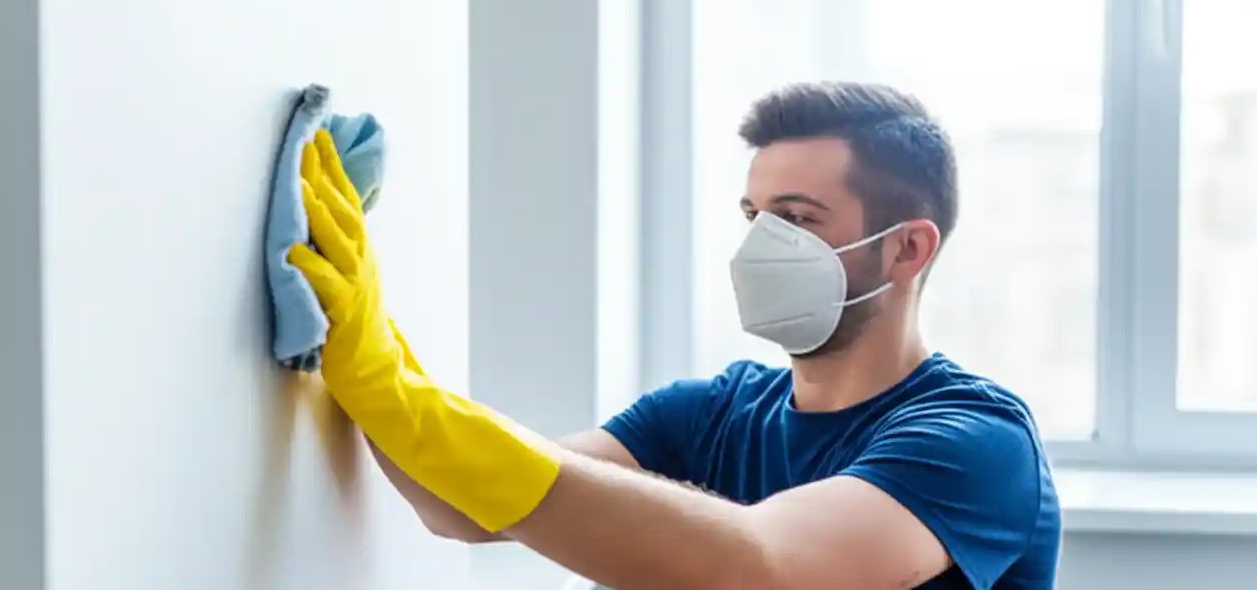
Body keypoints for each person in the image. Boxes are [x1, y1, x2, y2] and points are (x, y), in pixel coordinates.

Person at [288, 81, 1061, 589]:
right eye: (754, 217)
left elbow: (765, 566)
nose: (762, 245)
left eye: (796, 220)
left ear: (907, 248)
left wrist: (387, 379)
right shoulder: (711, 413)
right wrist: (365, 337)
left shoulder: (974, 441)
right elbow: (460, 506)